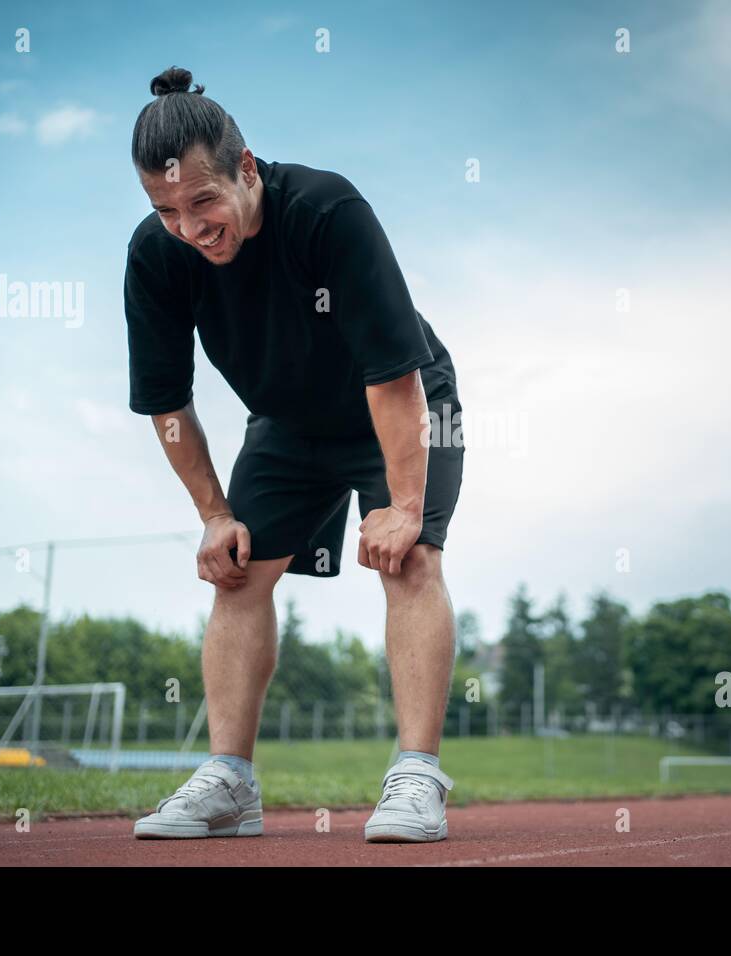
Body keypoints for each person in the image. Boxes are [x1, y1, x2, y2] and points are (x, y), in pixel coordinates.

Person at [123, 66, 463, 843]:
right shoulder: (157, 256)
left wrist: (403, 506)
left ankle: (416, 777)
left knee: (410, 560)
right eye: (166, 210)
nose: (190, 227)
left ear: (247, 170)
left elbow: (393, 374)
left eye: (203, 201)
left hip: (399, 402)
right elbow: (168, 406)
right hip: (285, 421)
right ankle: (230, 783)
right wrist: (213, 515)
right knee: (238, 570)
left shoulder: (326, 211)